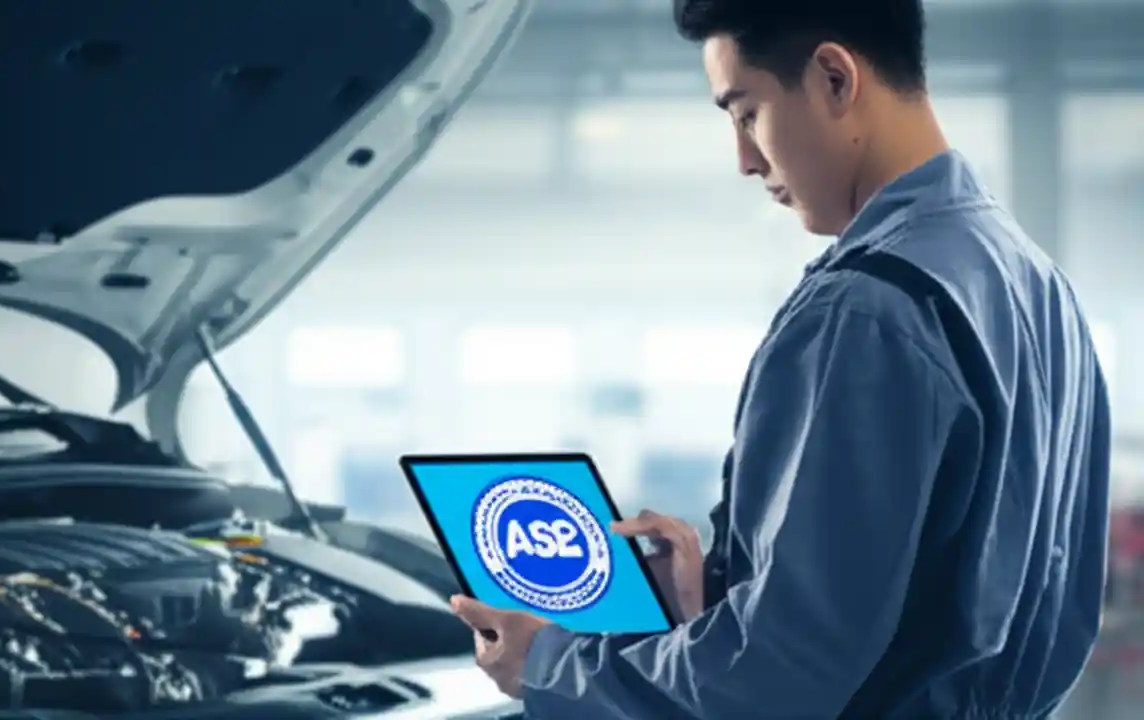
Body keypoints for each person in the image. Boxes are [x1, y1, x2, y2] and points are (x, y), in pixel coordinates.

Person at [449, 0, 1113, 717]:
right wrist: (721, 591)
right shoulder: (1032, 281)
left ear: (833, 77)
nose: (743, 159)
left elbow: (778, 676)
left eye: (746, 113)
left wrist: (547, 662)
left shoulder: (866, 310)